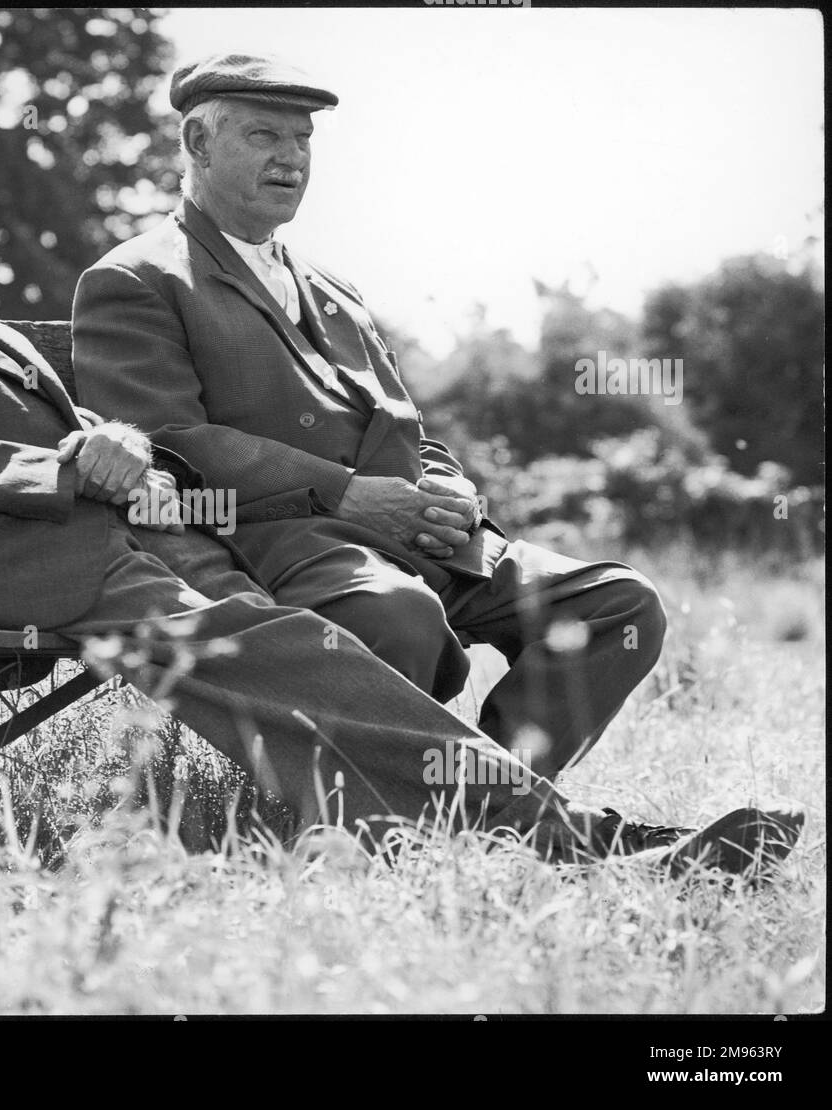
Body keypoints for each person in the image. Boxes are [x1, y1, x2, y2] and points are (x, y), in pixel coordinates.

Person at [0, 122, 801, 875]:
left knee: (294, 638)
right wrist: (66, 468)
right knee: (281, 645)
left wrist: (127, 464)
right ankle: (559, 841)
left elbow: (115, 452)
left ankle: (476, 834)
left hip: (116, 554)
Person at [72, 53, 675, 785]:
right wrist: (349, 495)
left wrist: (456, 492)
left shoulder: (334, 287)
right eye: (265, 136)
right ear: (199, 144)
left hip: (421, 536)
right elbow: (168, 444)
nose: (292, 157)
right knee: (399, 615)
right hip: (284, 546)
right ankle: (448, 813)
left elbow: (404, 426)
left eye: (304, 140)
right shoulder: (136, 278)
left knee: (618, 603)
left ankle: (489, 806)